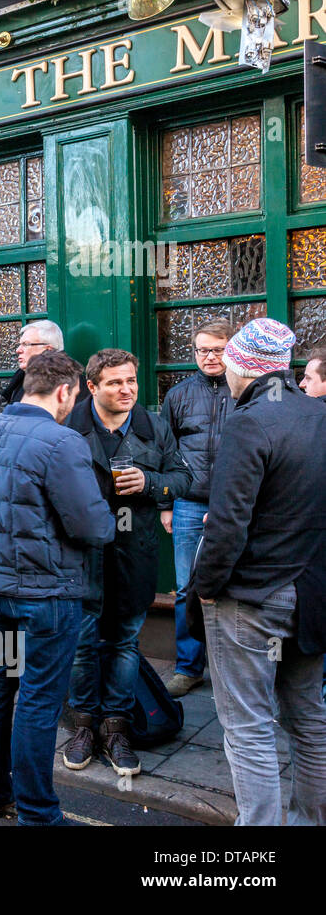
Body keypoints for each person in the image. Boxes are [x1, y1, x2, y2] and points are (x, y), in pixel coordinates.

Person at [0, 351, 115, 824]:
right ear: (66, 391)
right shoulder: (62, 442)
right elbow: (91, 527)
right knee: (40, 700)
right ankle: (38, 811)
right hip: (46, 593)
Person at [190, 318, 326, 825]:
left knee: (248, 727)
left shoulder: (249, 421)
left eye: (228, 363)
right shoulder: (318, 415)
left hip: (251, 598)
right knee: (309, 720)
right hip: (311, 593)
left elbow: (227, 526)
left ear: (243, 367)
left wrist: (205, 587)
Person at [63, 349, 191, 777]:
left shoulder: (153, 426)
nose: (127, 389)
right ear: (92, 386)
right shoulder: (66, 425)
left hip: (135, 551)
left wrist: (151, 483)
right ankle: (82, 726)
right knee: (82, 644)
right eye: (116, 382)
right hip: (81, 554)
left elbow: (183, 477)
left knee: (124, 643)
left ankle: (116, 728)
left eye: (132, 381)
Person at [161, 320, 236, 699]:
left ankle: (232, 670)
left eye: (218, 349)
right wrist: (166, 503)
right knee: (186, 589)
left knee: (235, 588)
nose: (209, 356)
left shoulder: (247, 391)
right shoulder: (178, 395)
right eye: (202, 350)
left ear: (232, 349)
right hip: (188, 503)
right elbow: (166, 452)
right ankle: (189, 668)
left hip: (235, 506)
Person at [0, 320, 89, 406]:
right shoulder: (20, 379)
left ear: (48, 350)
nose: (18, 350)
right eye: (20, 344)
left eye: (26, 344)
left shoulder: (74, 384)